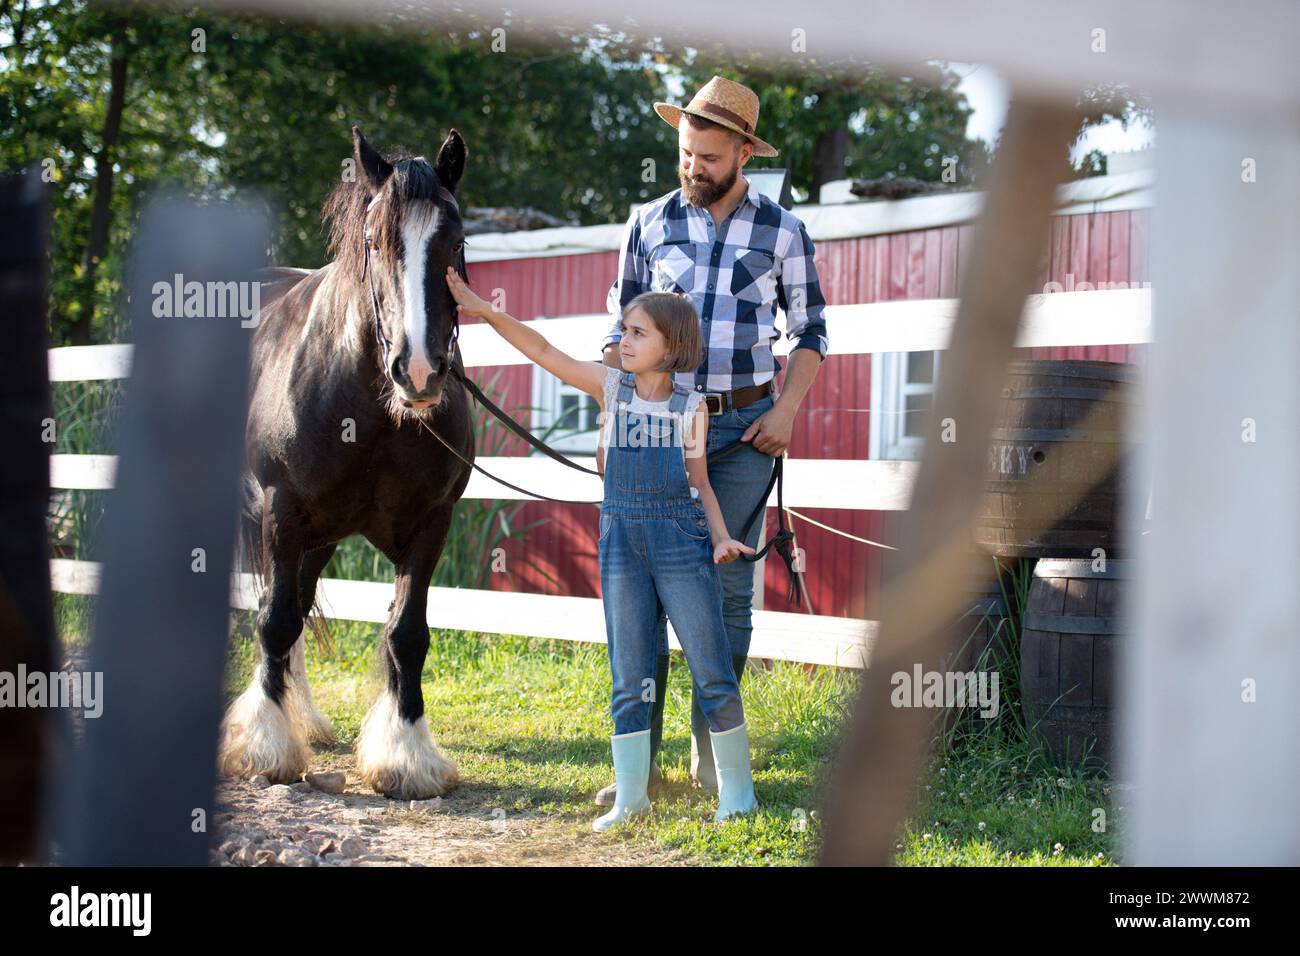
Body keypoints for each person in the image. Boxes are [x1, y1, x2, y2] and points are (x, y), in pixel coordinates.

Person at [444, 267, 759, 829]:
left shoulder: (692, 409)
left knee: (710, 666)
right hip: (620, 542)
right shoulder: (610, 388)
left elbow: (702, 483)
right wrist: (483, 309)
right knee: (629, 669)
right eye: (625, 330)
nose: (624, 341)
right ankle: (631, 795)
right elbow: (542, 348)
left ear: (672, 348)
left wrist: (720, 537)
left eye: (637, 333)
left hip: (681, 542)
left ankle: (738, 793)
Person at [597, 75, 829, 804]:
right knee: (643, 590)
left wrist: (789, 408)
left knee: (725, 590)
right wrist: (615, 415)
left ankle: (712, 762)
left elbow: (813, 331)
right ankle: (639, 772)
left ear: (744, 152)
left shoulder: (784, 232)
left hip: (742, 428)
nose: (693, 166)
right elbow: (619, 334)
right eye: (685, 152)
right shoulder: (648, 223)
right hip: (656, 425)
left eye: (707, 156)